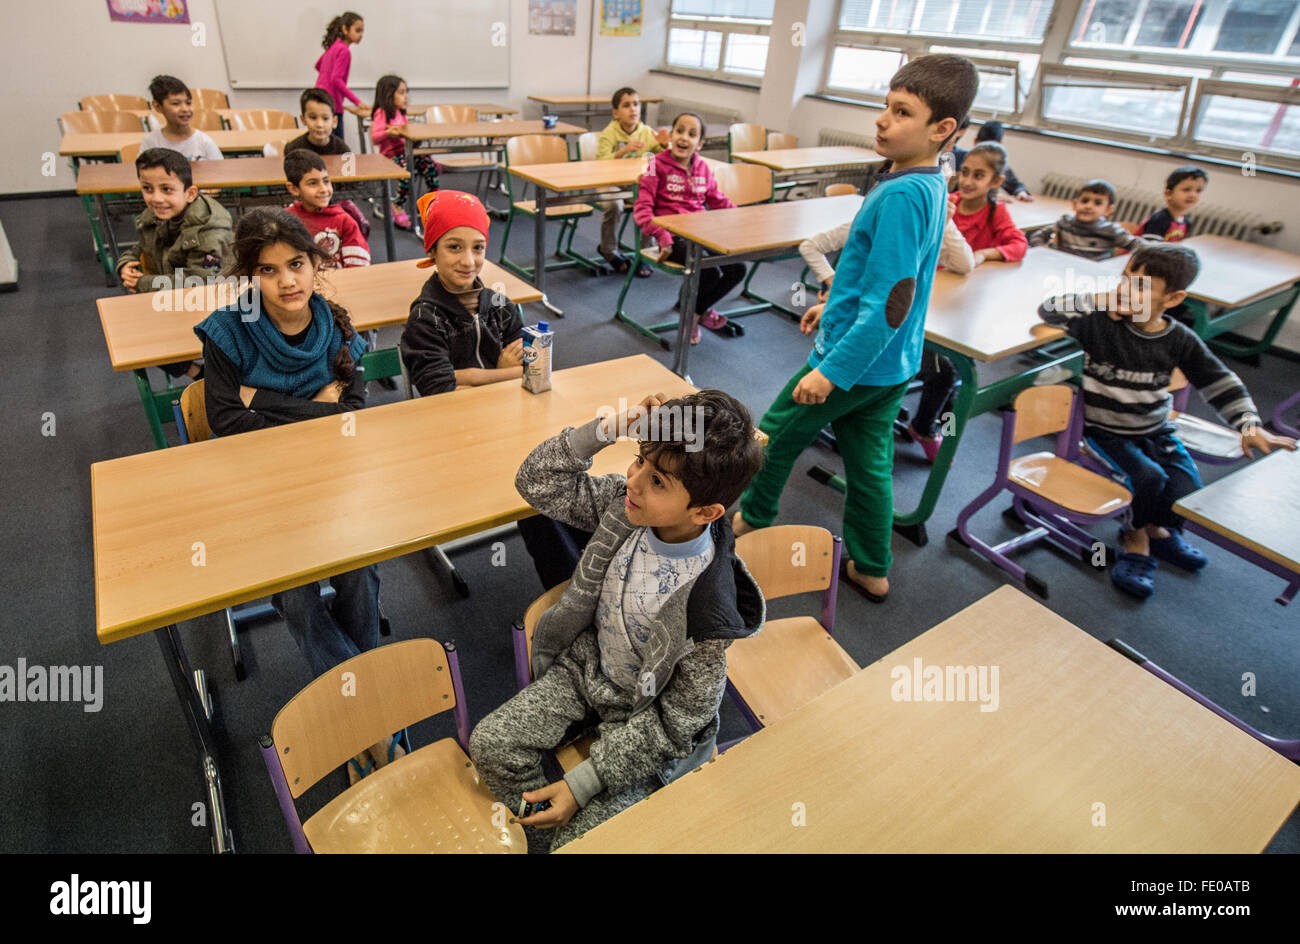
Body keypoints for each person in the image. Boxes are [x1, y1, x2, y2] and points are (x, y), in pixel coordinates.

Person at [469, 390, 766, 851]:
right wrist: (610, 427)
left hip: (647, 721)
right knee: (491, 744)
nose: (634, 481)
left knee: (584, 840)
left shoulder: (707, 608)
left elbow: (678, 723)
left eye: (658, 481)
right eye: (639, 460)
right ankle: (539, 837)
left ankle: (564, 830)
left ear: (705, 512)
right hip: (589, 671)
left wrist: (582, 784)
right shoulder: (626, 508)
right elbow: (536, 481)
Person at [733, 54, 980, 602]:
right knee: (870, 468)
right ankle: (871, 565)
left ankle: (754, 515)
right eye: (886, 107)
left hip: (855, 362)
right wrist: (835, 303)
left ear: (943, 130)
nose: (882, 120)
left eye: (901, 112)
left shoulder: (898, 195)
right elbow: (882, 277)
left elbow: (893, 302)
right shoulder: (927, 184)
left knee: (772, 435)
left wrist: (832, 370)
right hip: (891, 365)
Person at [193, 208, 395, 779]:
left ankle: (362, 727)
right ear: (248, 276)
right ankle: (376, 720)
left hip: (334, 478)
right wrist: (316, 409)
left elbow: (355, 408)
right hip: (257, 487)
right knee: (300, 596)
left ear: (315, 263)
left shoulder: (333, 320)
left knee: (361, 576)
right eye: (268, 269)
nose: (287, 281)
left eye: (297, 264)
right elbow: (228, 421)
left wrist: (267, 401)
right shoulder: (227, 333)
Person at [1037, 242, 1296, 599]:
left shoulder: (1178, 339)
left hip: (1156, 430)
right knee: (1148, 478)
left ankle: (1158, 530)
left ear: (1173, 299)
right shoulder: (1098, 325)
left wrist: (1248, 424)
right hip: (1106, 433)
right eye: (1126, 279)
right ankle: (1136, 537)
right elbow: (1048, 309)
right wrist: (1099, 299)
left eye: (1141, 286)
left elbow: (1218, 380)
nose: (1128, 290)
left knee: (1185, 486)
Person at [908, 141, 1027, 460]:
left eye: (980, 175)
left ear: (996, 182)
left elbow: (1018, 244)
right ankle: (922, 427)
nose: (970, 180)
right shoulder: (949, 204)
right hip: (928, 305)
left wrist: (985, 253)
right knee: (947, 372)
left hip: (960, 306)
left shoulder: (995, 212)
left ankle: (940, 427)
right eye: (965, 172)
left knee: (957, 374)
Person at [116, 147, 233, 380]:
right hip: (176, 296)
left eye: (166, 189)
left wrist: (142, 284)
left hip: (220, 302)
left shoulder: (211, 228)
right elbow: (143, 247)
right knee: (129, 334)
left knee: (143, 334)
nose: (156, 198)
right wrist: (127, 262)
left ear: (190, 193)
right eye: (147, 189)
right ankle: (200, 374)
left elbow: (199, 283)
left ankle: (218, 378)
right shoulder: (157, 214)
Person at [633, 112, 744, 344]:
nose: (684, 137)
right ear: (670, 135)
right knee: (708, 270)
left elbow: (718, 200)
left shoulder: (703, 168)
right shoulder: (654, 165)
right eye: (679, 131)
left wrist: (743, 217)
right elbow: (642, 211)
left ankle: (695, 310)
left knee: (737, 268)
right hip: (674, 237)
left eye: (692, 134)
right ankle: (692, 316)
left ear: (700, 143)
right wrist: (663, 237)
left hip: (703, 233)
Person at [399, 190, 523, 395]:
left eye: (478, 248)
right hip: (453, 421)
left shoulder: (501, 306)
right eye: (455, 247)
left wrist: (466, 378)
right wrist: (503, 373)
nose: (468, 261)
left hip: (507, 411)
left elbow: (535, 369)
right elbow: (439, 389)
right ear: (432, 250)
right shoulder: (425, 318)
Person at [595, 86, 667, 277]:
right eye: (627, 105)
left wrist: (664, 144)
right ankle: (608, 250)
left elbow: (660, 159)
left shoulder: (646, 132)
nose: (633, 109)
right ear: (616, 112)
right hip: (610, 181)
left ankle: (645, 254)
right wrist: (623, 151)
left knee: (649, 204)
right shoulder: (609, 133)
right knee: (614, 205)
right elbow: (600, 163)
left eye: (636, 104)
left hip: (635, 184)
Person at [371, 74, 440, 229]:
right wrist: (389, 133)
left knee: (430, 166)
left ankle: (433, 200)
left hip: (407, 153)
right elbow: (375, 137)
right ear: (389, 95)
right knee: (406, 172)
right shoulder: (382, 113)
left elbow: (406, 135)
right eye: (401, 93)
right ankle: (397, 206)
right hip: (391, 156)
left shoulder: (401, 114)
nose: (406, 97)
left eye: (406, 92)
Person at [283, 149, 370, 268]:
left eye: (326, 181)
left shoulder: (344, 221)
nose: (323, 189)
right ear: (293, 189)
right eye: (313, 183)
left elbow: (359, 267)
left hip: (342, 284)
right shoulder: (284, 221)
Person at [1028, 179, 1147, 260]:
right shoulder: (1064, 223)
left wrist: (1129, 263)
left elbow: (1137, 245)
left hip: (1092, 277)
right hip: (1062, 270)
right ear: (1075, 204)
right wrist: (1043, 250)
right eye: (1084, 201)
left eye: (1097, 203)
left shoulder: (1110, 231)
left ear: (1108, 210)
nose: (1089, 206)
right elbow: (1037, 236)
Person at [139, 75, 222, 161]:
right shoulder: (151, 142)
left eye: (188, 103)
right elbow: (142, 172)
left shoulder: (204, 142)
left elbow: (221, 172)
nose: (185, 109)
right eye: (176, 103)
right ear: (158, 106)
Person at [315, 11, 365, 141]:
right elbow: (336, 79)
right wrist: (357, 101)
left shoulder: (333, 46)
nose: (361, 35)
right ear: (345, 29)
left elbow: (318, 65)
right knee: (337, 146)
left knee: (326, 143)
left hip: (319, 98)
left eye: (362, 31)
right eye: (357, 30)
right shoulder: (344, 50)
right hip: (332, 104)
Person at [1140, 165, 1207, 243]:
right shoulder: (1159, 220)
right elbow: (1148, 250)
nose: (1193, 195)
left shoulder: (1186, 222)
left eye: (1198, 191)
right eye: (1186, 189)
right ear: (1168, 194)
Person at [969, 121, 1032, 201]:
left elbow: (1015, 185)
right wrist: (990, 196)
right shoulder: (965, 162)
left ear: (1000, 145)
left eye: (992, 148)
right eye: (982, 147)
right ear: (975, 142)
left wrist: (1021, 192)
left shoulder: (999, 166)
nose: (987, 152)